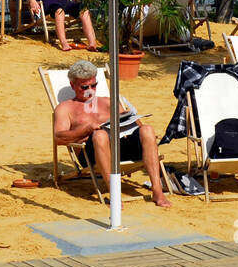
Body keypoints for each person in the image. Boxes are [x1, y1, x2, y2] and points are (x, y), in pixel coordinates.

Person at [52, 59, 171, 207]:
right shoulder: (66, 108)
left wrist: (130, 118)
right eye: (84, 87)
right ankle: (114, 193)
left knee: (147, 130)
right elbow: (58, 138)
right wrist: (85, 130)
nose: (90, 90)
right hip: (92, 153)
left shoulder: (109, 101)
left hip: (120, 147)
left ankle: (157, 190)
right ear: (72, 85)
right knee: (100, 135)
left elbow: (136, 127)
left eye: (94, 85)